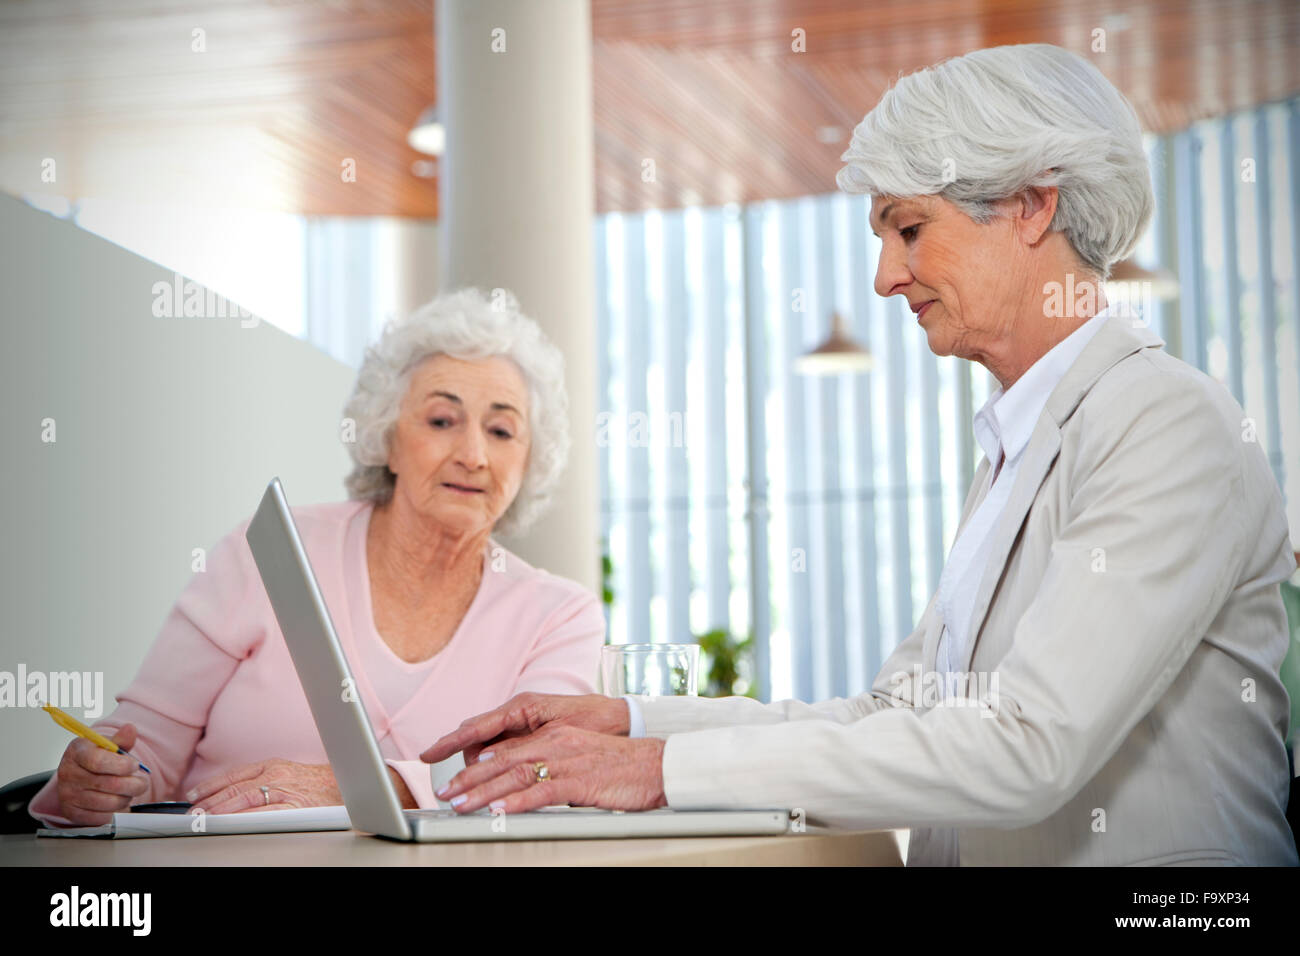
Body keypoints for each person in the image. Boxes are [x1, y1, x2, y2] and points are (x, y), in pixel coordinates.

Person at [419, 44, 1299, 866]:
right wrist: (632, 723)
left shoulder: (1163, 422)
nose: (884, 276)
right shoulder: (1017, 443)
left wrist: (657, 772)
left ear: (1034, 204)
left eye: (908, 229)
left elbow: (1030, 745)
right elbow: (897, 714)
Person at [30, 287, 604, 826]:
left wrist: (357, 787)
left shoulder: (559, 616)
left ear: (531, 459)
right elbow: (147, 743)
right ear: (388, 437)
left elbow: (536, 773)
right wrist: (104, 780)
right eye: (441, 420)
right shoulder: (271, 553)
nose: (474, 454)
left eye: (502, 431)